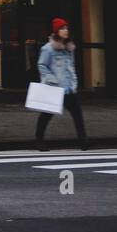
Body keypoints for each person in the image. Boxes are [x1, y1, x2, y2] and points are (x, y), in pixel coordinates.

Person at [34, 17, 88, 151]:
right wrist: (51, 79)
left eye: (66, 28)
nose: (65, 30)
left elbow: (71, 67)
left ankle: (84, 142)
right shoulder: (48, 49)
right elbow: (42, 65)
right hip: (55, 88)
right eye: (62, 28)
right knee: (46, 116)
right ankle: (39, 141)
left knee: (77, 115)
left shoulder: (69, 48)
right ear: (56, 31)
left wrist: (74, 83)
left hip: (69, 88)